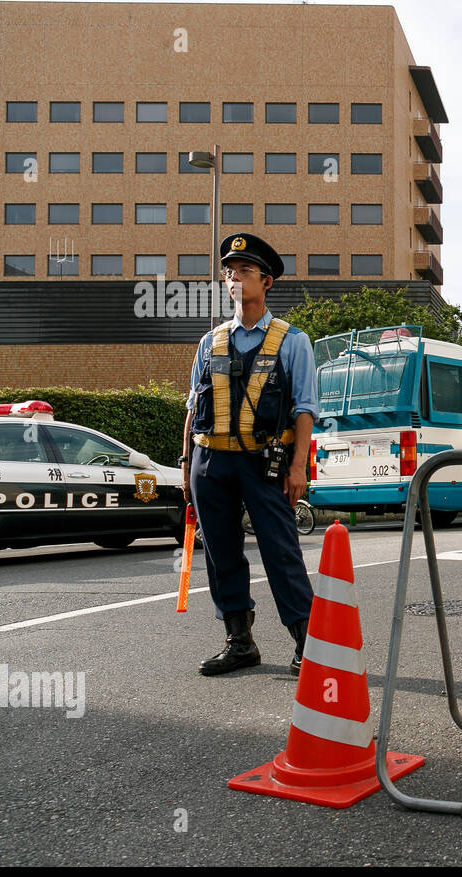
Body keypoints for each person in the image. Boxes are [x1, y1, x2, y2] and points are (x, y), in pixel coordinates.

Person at [179, 233, 318, 676]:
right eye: (228, 272)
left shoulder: (293, 340)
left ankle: (307, 643)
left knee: (281, 551)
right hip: (210, 462)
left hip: (266, 462)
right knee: (221, 553)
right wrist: (186, 464)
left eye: (243, 271)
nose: (234, 278)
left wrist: (299, 467)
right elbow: (192, 406)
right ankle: (239, 641)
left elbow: (305, 409)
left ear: (267, 281)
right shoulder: (211, 341)